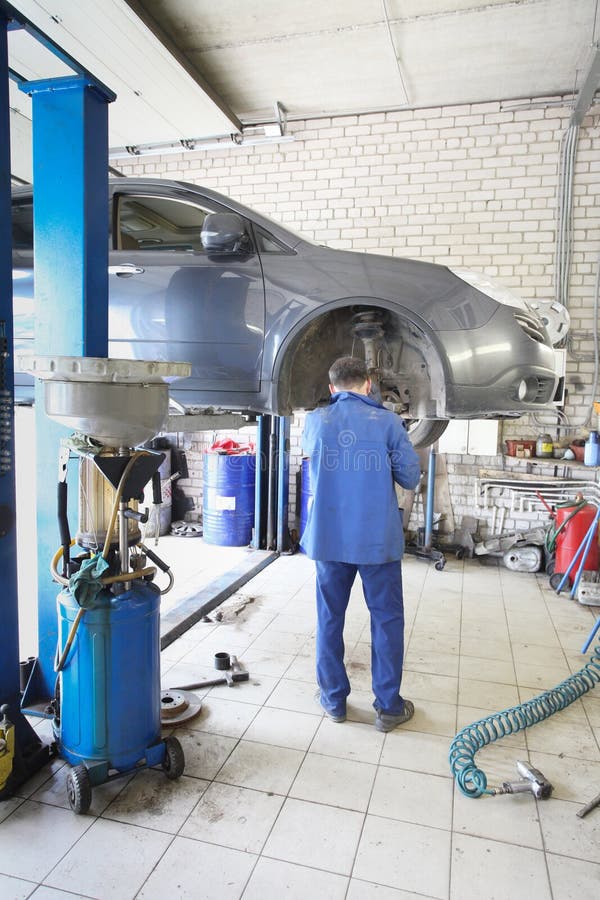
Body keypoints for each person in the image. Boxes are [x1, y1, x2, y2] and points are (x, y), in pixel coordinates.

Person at [301, 356, 421, 732]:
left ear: (332, 387)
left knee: (329, 618)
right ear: (368, 384)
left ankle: (334, 701)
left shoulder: (316, 421)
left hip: (329, 539)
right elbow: (410, 476)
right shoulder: (387, 422)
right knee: (386, 620)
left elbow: (312, 458)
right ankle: (388, 708)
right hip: (376, 543)